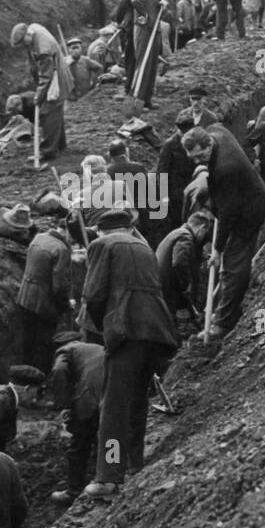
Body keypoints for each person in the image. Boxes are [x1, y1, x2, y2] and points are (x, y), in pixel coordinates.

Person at [80, 204, 179, 498]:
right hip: (157, 328)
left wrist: (103, 327)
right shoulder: (143, 245)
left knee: (114, 407)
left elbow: (93, 294)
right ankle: (135, 462)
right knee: (137, 398)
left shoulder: (101, 244)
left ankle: (109, 478)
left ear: (101, 229)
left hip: (127, 329)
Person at [182, 124, 265, 342]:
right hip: (251, 195)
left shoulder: (225, 169)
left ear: (209, 143)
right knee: (234, 262)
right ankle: (225, 305)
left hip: (250, 210)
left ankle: (222, 324)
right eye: (193, 158)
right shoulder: (217, 132)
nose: (197, 161)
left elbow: (228, 215)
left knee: (231, 265)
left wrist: (218, 250)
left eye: (200, 155)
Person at [48, 331, 105, 505]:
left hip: (89, 396)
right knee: (110, 436)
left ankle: (73, 491)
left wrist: (64, 405)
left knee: (79, 445)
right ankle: (112, 477)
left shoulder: (66, 350)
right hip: (115, 392)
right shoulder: (98, 347)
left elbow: (59, 370)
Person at [17, 219, 72, 373]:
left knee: (27, 341)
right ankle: (41, 377)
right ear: (66, 232)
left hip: (25, 297)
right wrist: (65, 305)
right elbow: (59, 286)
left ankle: (23, 375)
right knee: (44, 344)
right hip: (44, 304)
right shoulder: (61, 249)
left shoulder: (39, 237)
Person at [11, 21, 71, 162]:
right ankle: (60, 144)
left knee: (48, 112)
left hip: (56, 82)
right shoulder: (34, 30)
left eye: (22, 43)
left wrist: (39, 95)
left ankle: (47, 151)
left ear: (27, 35)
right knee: (56, 112)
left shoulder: (43, 50)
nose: (23, 47)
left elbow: (46, 76)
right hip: (55, 77)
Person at [155, 209, 212, 331]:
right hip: (167, 286)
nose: (202, 238)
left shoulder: (178, 233)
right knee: (171, 321)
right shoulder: (185, 236)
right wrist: (187, 285)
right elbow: (179, 262)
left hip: (160, 283)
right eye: (204, 233)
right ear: (201, 227)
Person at [156, 110, 198, 232]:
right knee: (177, 224)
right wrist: (164, 196)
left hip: (193, 190)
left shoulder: (195, 141)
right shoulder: (170, 145)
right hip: (176, 194)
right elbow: (162, 172)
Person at [113, 0, 142, 71]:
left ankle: (127, 69)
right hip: (144, 24)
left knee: (129, 49)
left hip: (131, 25)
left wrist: (119, 21)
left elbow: (122, 7)